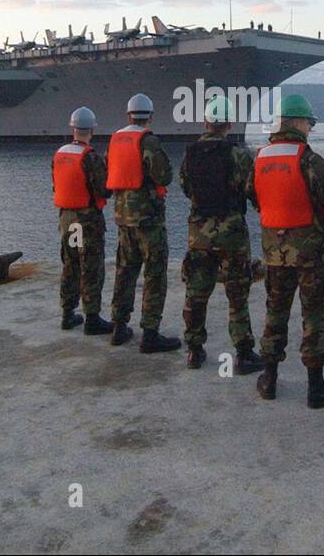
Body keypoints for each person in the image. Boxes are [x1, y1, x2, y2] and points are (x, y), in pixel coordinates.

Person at [252, 93, 324, 408]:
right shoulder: (310, 160)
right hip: (311, 253)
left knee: (275, 311)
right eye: (309, 122)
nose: (310, 128)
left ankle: (269, 378)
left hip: (274, 253)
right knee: (314, 315)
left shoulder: (260, 157)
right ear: (297, 122)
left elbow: (255, 199)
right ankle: (316, 387)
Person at [178, 95, 265, 373]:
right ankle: (243, 354)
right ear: (229, 123)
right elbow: (252, 190)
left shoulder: (189, 154)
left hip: (199, 232)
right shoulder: (237, 154)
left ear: (205, 122)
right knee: (237, 294)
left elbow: (185, 187)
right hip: (231, 233)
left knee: (196, 293)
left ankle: (193, 350)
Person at [106, 93, 180, 352]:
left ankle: (118, 326)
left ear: (128, 115)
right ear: (150, 116)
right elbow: (164, 175)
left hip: (123, 218)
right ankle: (150, 333)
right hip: (148, 219)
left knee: (125, 272)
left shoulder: (114, 140)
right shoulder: (149, 140)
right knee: (154, 274)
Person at [52, 107, 114, 337]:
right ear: (92, 130)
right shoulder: (91, 157)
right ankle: (92, 317)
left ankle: (67, 313)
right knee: (91, 266)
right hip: (86, 219)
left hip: (66, 218)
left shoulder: (59, 154)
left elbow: (56, 184)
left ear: (73, 128)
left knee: (70, 265)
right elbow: (103, 190)